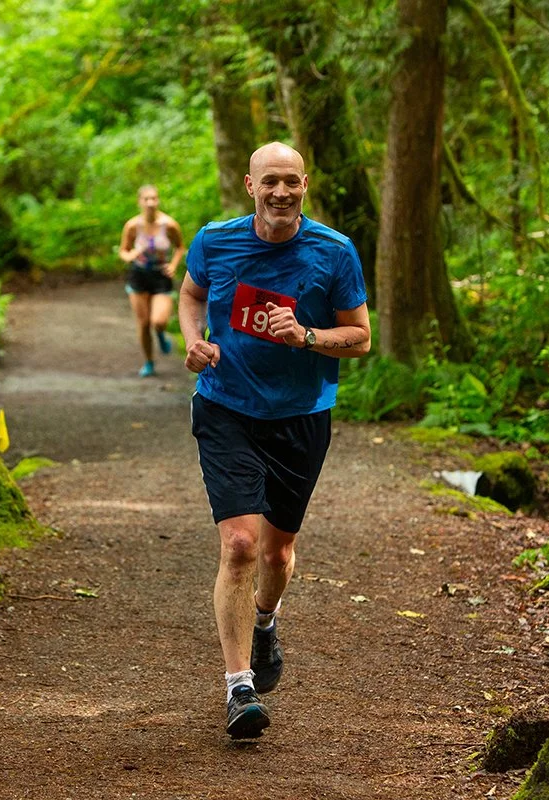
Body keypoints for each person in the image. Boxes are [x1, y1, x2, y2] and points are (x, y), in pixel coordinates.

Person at [179, 142, 371, 739]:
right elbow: (190, 294)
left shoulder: (334, 252)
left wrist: (306, 337)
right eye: (270, 182)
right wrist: (194, 341)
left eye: (291, 181)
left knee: (276, 555)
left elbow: (361, 338)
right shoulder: (215, 240)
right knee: (239, 545)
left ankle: (266, 620)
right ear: (250, 185)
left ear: (305, 185)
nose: (280, 192)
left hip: (301, 417)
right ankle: (239, 688)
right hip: (225, 406)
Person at [118, 185, 185, 377]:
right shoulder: (132, 226)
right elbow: (123, 250)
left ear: (158, 201)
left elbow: (180, 247)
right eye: (146, 199)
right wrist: (130, 256)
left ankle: (161, 334)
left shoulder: (169, 225)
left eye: (154, 199)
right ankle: (149, 362)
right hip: (138, 275)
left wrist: (172, 265)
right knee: (143, 323)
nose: (150, 203)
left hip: (160, 277)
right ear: (139, 201)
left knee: (159, 321)